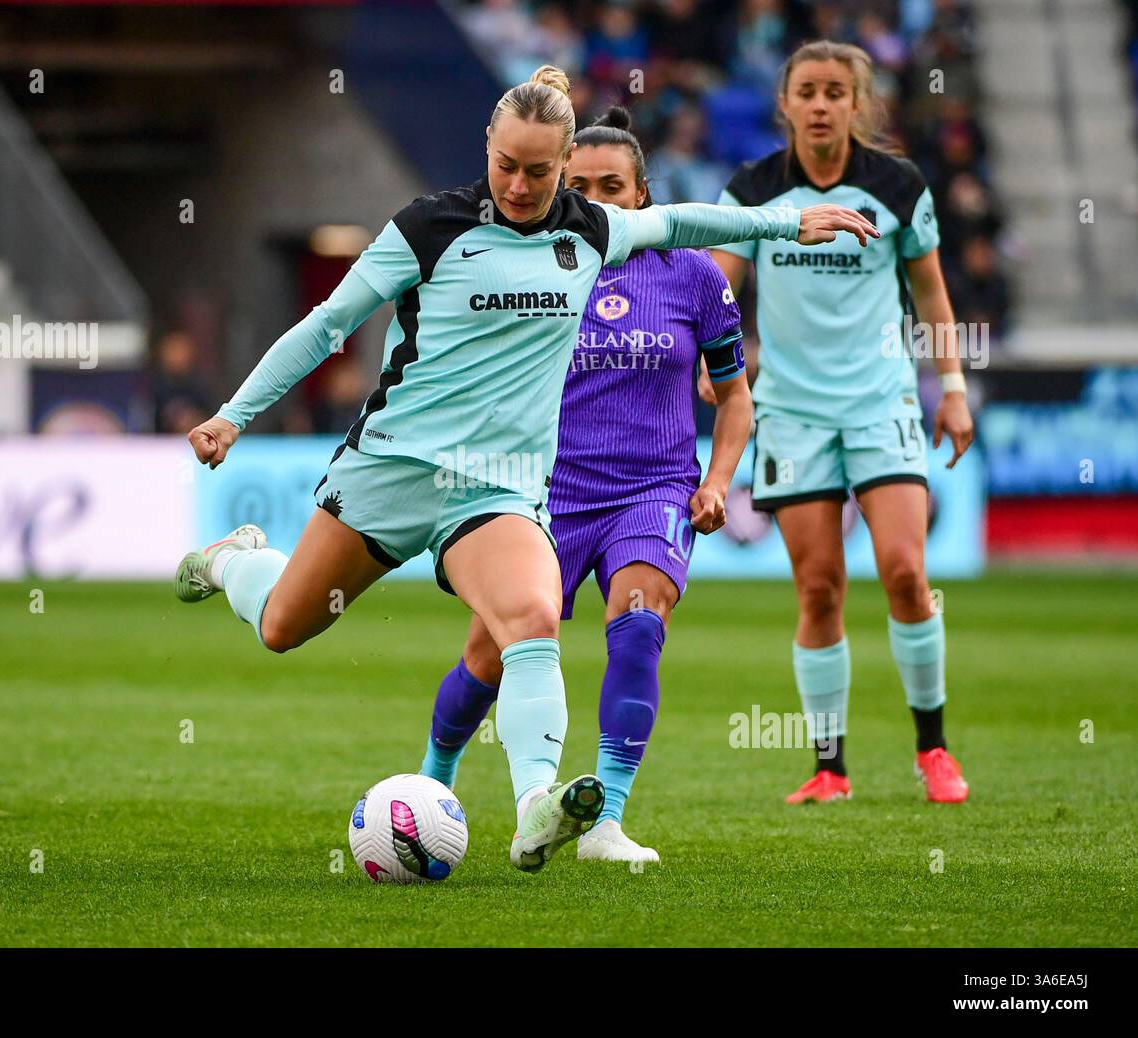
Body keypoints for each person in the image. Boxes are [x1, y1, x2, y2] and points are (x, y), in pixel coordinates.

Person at [175, 65, 875, 871]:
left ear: (564, 160)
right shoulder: (428, 228)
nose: (518, 183)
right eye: (507, 164)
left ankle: (537, 806)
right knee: (284, 627)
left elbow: (683, 221)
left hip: (495, 489)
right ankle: (233, 562)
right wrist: (235, 414)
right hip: (393, 472)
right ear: (488, 147)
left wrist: (788, 225)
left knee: (533, 621)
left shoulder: (593, 232)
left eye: (540, 170)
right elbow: (327, 321)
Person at [416, 107, 753, 864]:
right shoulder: (523, 265)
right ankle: (432, 784)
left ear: (643, 195)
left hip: (653, 488)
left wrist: (719, 480)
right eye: (580, 184)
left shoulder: (694, 276)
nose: (597, 198)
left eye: (614, 185)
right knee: (487, 658)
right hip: (542, 493)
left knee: (638, 627)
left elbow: (735, 396)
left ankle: (605, 822)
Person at [711, 41, 974, 805]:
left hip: (880, 402)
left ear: (857, 104)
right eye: (807, 91)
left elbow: (931, 294)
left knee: (905, 572)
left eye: (835, 92)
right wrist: (710, 353)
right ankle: (830, 767)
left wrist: (951, 389)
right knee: (818, 587)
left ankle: (934, 749)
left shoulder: (898, 186)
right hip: (790, 412)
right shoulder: (752, 190)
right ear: (784, 104)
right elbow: (718, 288)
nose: (821, 105)